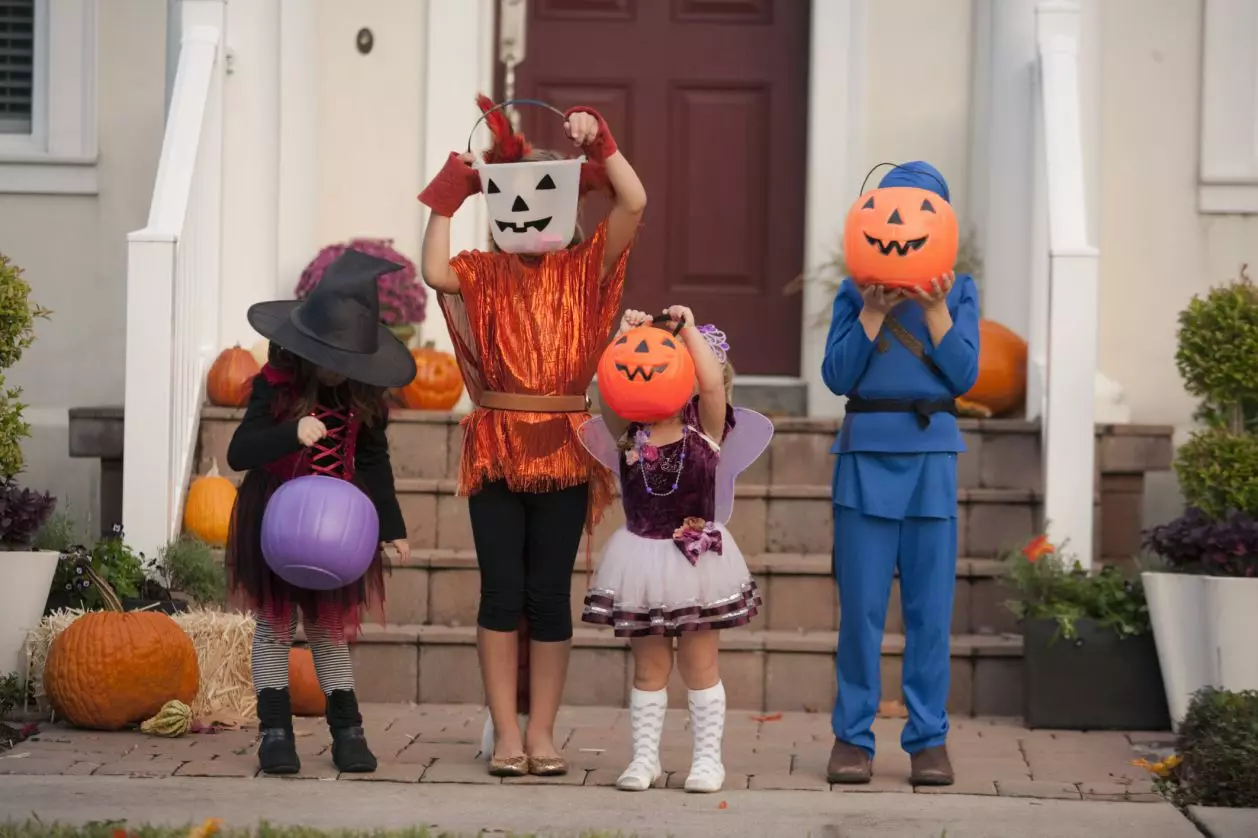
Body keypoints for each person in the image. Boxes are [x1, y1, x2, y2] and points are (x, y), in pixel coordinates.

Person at [417, 95, 647, 777]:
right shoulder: (484, 274)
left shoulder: (587, 271)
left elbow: (633, 202)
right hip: (497, 444)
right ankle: (507, 733)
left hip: (564, 446)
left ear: (567, 201)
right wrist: (445, 198)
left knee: (549, 593)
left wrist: (602, 141)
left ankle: (542, 733)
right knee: (501, 591)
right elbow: (434, 271)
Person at [225, 249, 416, 777]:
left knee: (330, 630)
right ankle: (275, 731)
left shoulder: (363, 397)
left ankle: (347, 731)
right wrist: (292, 430)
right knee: (274, 626)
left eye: (347, 360)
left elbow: (374, 462)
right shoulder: (275, 386)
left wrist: (391, 527)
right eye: (329, 358)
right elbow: (239, 453)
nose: (337, 370)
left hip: (336, 526)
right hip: (278, 518)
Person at [820, 161, 980, 787]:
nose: (899, 225)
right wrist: (870, 312)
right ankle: (851, 738)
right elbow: (837, 376)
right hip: (864, 457)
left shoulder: (960, 293)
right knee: (860, 609)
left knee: (929, 610)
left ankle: (928, 740)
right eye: (888, 209)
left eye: (916, 212)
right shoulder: (851, 293)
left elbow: (964, 374)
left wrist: (936, 309)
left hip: (931, 460)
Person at [580, 306, 760, 794]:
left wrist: (686, 330)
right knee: (649, 666)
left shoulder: (707, 430)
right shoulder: (628, 433)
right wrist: (621, 336)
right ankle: (644, 759)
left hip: (696, 562)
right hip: (642, 558)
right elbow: (608, 386)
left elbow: (712, 386)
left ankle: (707, 760)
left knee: (700, 664)